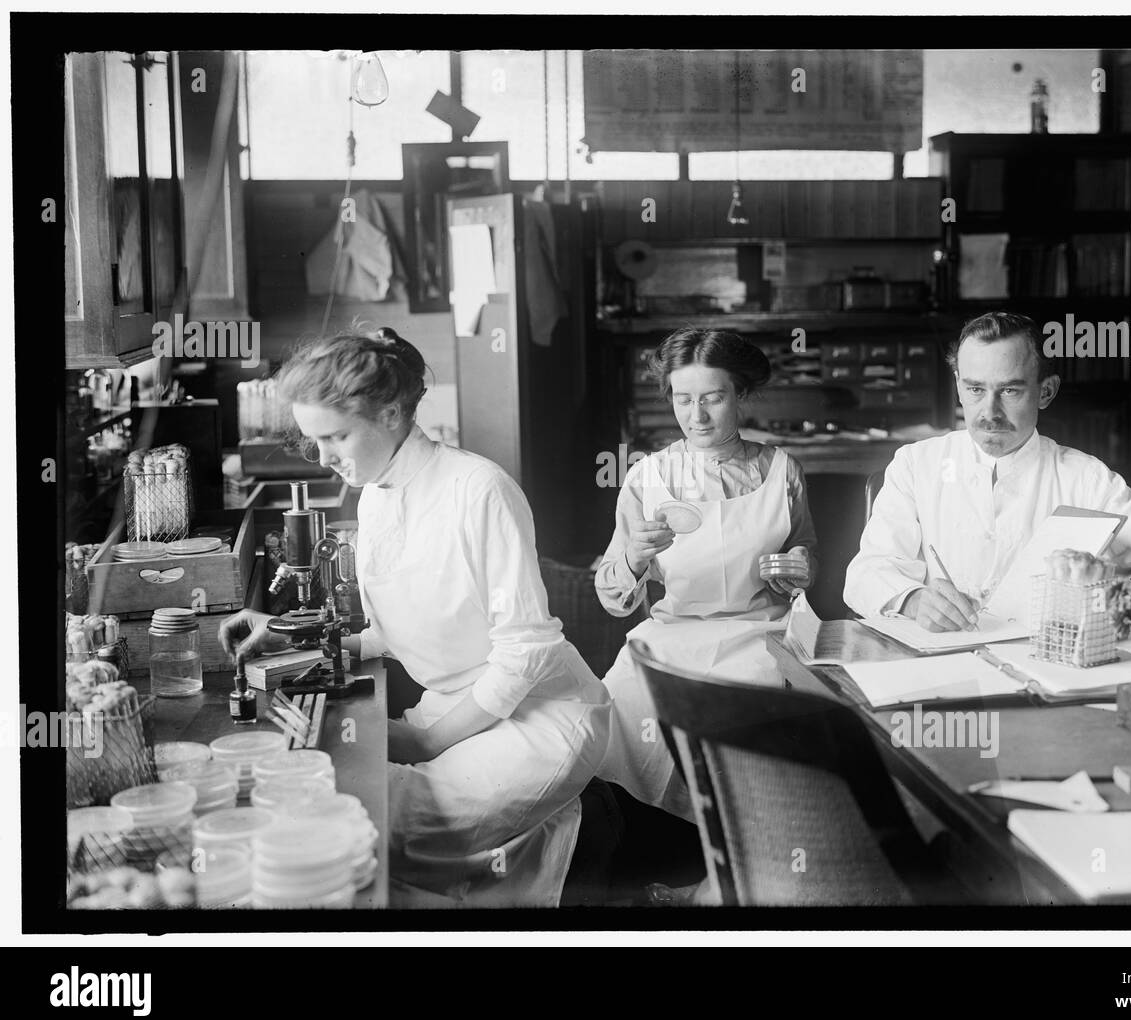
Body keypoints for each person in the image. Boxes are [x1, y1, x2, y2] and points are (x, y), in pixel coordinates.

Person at [218, 327, 609, 907]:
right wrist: (284, 635)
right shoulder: (375, 493)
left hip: (540, 716)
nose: (325, 460)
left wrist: (427, 741)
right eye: (314, 441)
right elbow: (396, 633)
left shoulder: (479, 489)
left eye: (337, 436)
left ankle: (589, 848)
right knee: (351, 800)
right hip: (459, 704)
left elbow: (525, 651)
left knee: (375, 824)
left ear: (393, 411)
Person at [844, 311, 1131, 631]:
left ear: (1046, 391)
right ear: (958, 386)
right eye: (975, 389)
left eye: (1009, 390)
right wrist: (913, 600)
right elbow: (864, 575)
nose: (989, 411)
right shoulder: (915, 465)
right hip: (940, 663)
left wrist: (1099, 596)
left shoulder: (1090, 482)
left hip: (1047, 667)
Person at [594, 328, 818, 821]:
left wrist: (797, 568)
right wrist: (633, 558)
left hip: (762, 635)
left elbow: (806, 557)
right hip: (672, 636)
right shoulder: (646, 477)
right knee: (613, 712)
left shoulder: (781, 471)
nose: (696, 416)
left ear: (740, 396)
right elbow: (612, 593)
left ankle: (744, 849)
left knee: (751, 723)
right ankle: (665, 842)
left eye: (713, 398)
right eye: (683, 399)